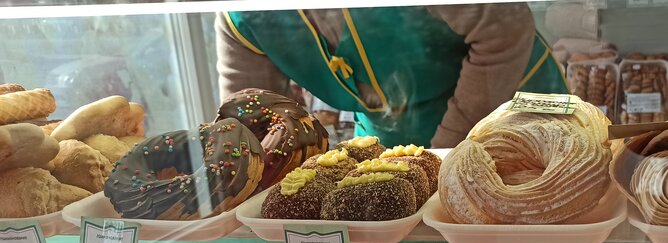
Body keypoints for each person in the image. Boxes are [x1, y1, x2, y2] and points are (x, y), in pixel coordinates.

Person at [216, 5, 568, 147]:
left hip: (509, 98)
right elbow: (250, 126)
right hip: (389, 128)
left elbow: (502, 28)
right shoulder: (242, 20)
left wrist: (444, 154)